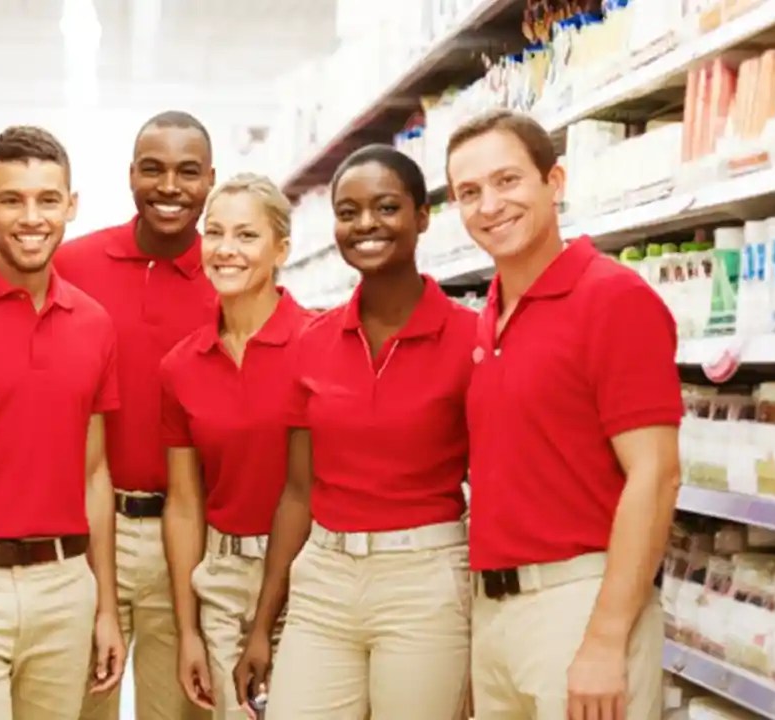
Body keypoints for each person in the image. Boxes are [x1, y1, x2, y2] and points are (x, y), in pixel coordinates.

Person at [446, 109, 680, 720]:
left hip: (579, 607)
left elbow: (655, 476)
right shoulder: (488, 314)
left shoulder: (614, 298)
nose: (489, 205)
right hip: (496, 613)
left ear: (555, 182)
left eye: (507, 181)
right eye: (469, 193)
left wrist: (605, 640)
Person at [234, 145, 476, 719]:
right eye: (348, 212)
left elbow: (493, 486)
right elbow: (297, 493)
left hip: (425, 580)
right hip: (324, 579)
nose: (365, 224)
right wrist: (263, 625)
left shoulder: (471, 338)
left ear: (423, 216)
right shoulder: (313, 343)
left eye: (386, 207)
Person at [0, 125, 125, 719]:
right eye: (12, 199)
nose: (30, 217)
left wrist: (106, 607)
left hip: (64, 585)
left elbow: (95, 474)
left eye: (47, 199)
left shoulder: (94, 324)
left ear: (71, 205)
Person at [55, 110, 217, 720]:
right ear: (129, 176)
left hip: (190, 537)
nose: (170, 187)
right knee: (78, 704)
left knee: (181, 706)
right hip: (85, 531)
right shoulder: (72, 263)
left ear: (210, 181)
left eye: (187, 172)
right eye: (153, 170)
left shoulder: (230, 273)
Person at [159, 172, 311, 719]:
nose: (226, 250)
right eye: (215, 233)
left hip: (308, 575)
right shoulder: (181, 365)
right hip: (222, 581)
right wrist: (187, 630)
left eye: (247, 236)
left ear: (281, 250)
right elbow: (183, 504)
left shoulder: (320, 345)